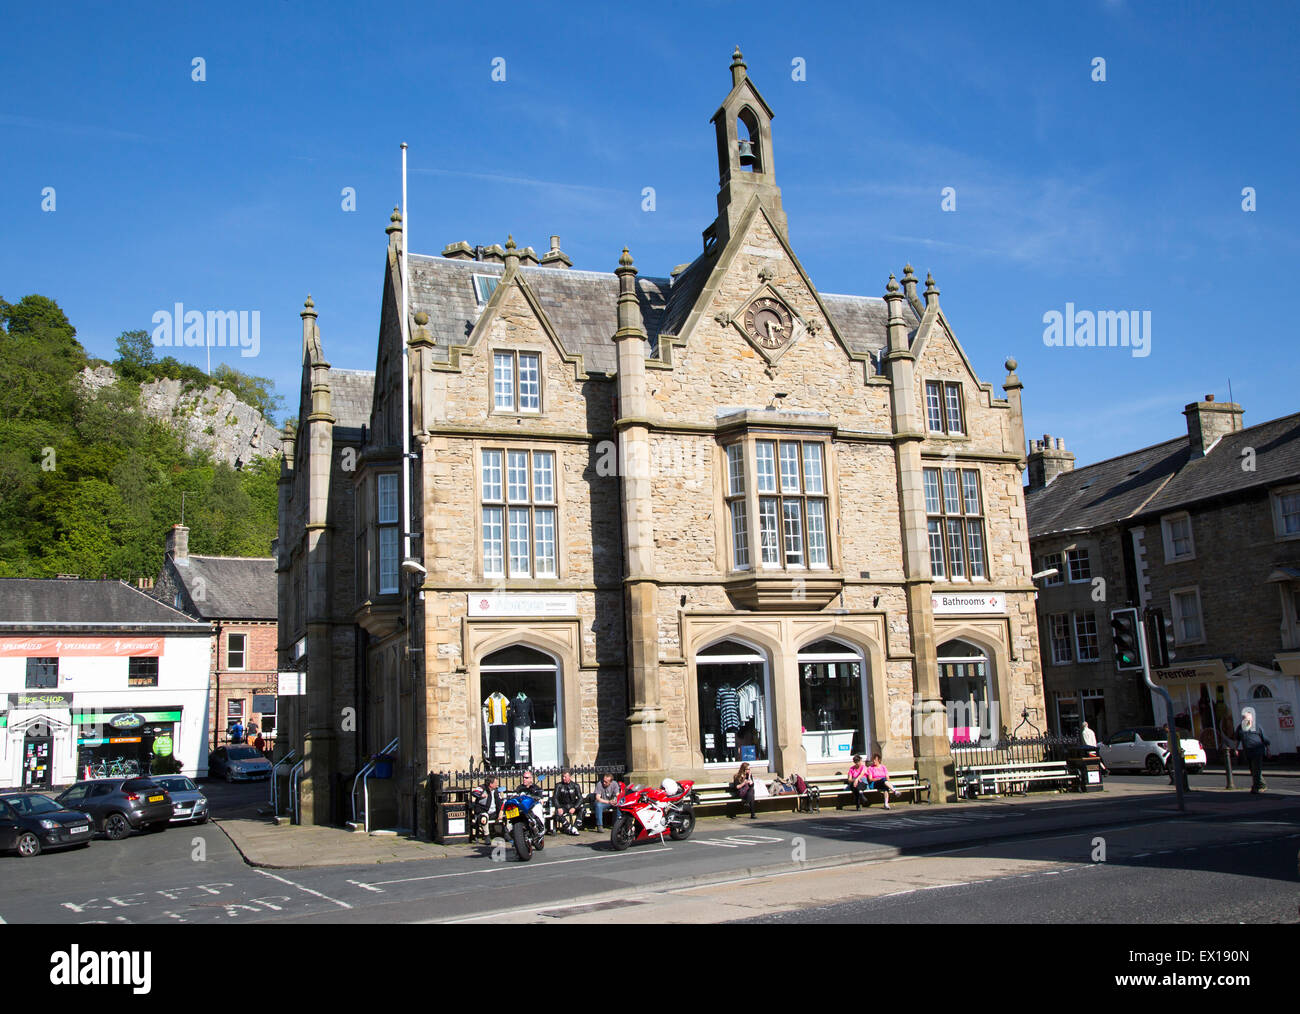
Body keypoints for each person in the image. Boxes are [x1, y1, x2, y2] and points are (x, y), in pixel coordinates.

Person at [1234, 708, 1270, 794]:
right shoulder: (1240, 727)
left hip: (1258, 751)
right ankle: (1259, 785)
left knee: (1256, 769)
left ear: (1252, 718)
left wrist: (1268, 750)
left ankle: (1259, 786)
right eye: (1244, 718)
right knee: (1252, 769)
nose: (1245, 720)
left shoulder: (1257, 726)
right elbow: (1237, 739)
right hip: (1247, 751)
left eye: (1247, 718)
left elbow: (1265, 739)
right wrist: (1235, 749)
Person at [552, 770, 583, 835]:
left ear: (569, 777)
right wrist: (559, 807)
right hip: (563, 806)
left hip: (572, 805)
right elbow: (555, 798)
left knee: (583, 810)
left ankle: (575, 827)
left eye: (565, 777)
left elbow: (580, 798)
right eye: (563, 777)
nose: (563, 778)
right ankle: (568, 826)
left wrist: (575, 807)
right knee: (557, 814)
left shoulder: (575, 785)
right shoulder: (559, 786)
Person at [470, 775, 500, 841]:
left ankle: (505, 834)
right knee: (484, 818)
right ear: (491, 784)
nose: (497, 784)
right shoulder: (482, 788)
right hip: (483, 812)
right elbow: (474, 793)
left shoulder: (495, 791)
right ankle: (487, 836)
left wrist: (500, 812)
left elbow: (499, 803)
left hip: (493, 812)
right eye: (495, 783)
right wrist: (481, 795)